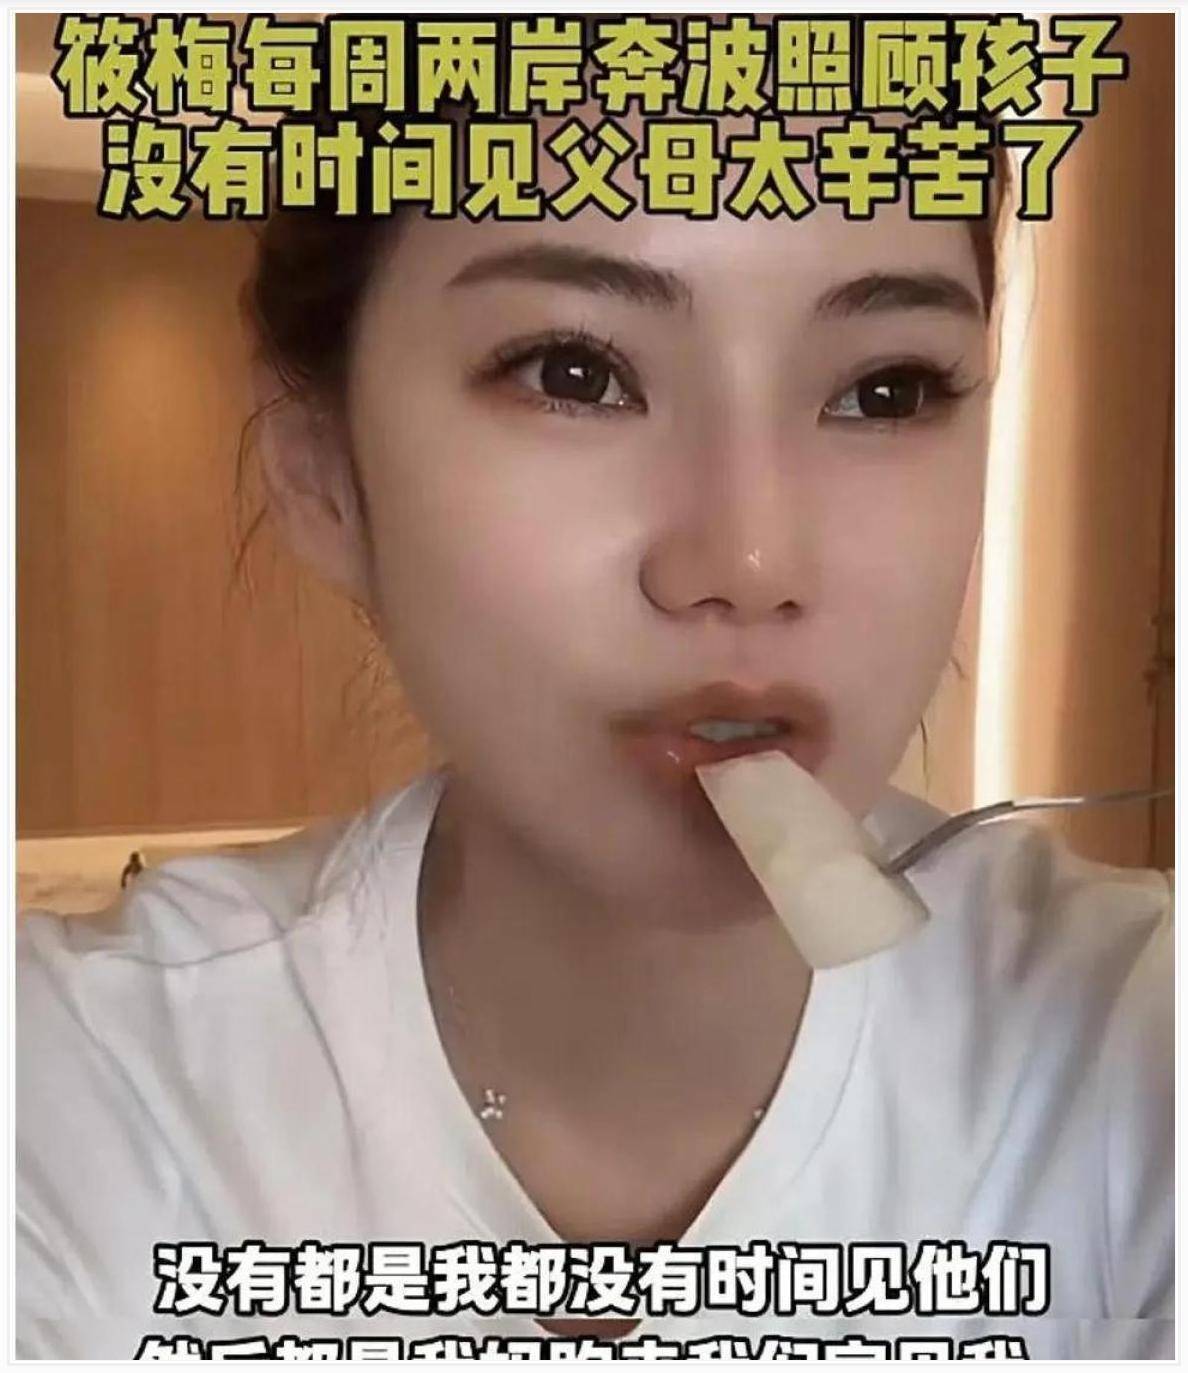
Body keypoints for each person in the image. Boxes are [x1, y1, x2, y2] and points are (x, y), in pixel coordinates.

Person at [16, 94, 1173, 1361]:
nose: (751, 558)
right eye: (576, 372)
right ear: (321, 474)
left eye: (884, 390)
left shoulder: (1126, 1048)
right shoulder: (79, 1093)